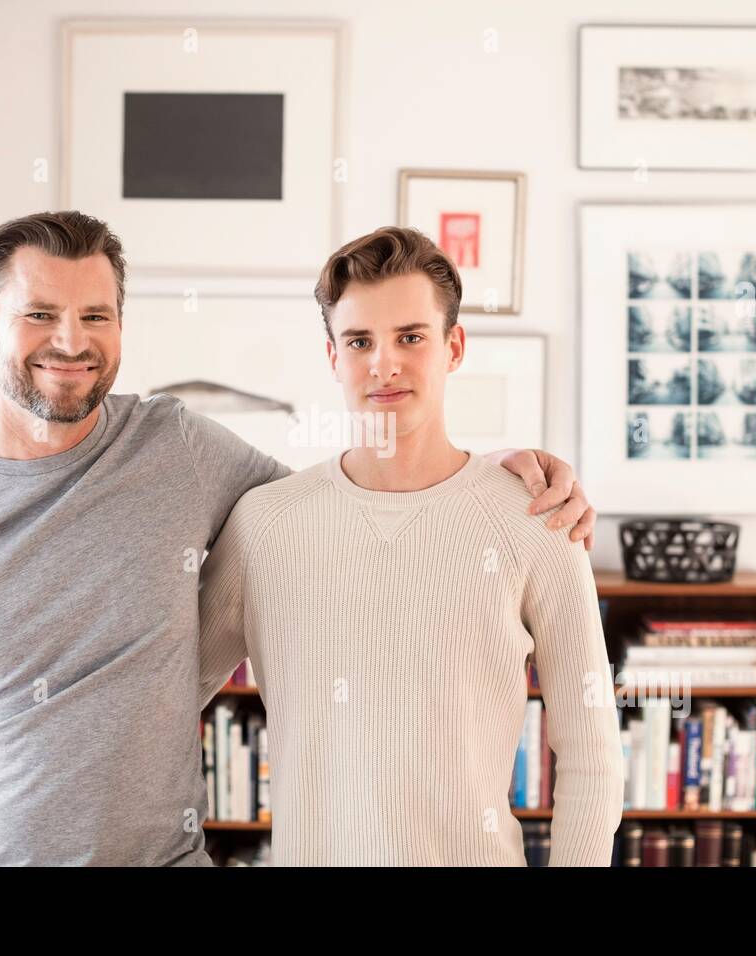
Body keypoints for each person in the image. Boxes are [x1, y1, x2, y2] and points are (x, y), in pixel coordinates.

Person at [0, 211, 599, 866]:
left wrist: (488, 478)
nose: (71, 339)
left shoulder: (180, 451)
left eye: (95, 314)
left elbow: (352, 503)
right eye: (39, 314)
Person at [197, 226, 623, 865]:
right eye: (360, 341)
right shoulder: (265, 525)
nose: (383, 364)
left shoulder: (538, 517)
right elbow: (160, 701)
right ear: (333, 356)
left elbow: (591, 753)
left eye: (410, 338)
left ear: (453, 347)